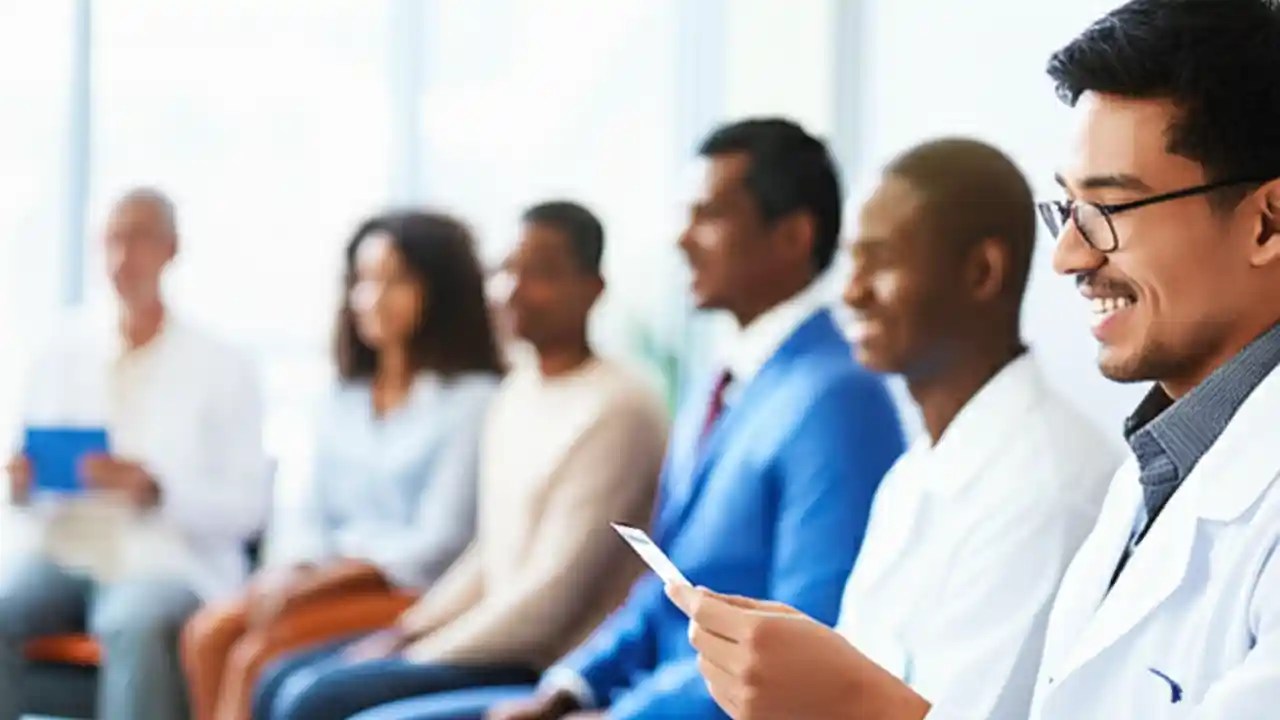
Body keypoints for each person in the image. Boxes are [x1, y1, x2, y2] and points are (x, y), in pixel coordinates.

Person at [671, 1, 1280, 718]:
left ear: (1267, 223)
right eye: (1067, 210)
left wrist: (863, 707)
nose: (1068, 255)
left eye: (1108, 211)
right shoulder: (1154, 478)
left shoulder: (1071, 484)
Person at [345, 118, 907, 720]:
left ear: (793, 236)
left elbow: (807, 644)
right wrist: (567, 688)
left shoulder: (838, 398)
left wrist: (622, 717)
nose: (682, 240)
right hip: (639, 690)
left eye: (710, 216)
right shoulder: (720, 382)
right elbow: (661, 586)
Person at [667, 137, 1121, 719]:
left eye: (880, 261)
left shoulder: (1046, 491)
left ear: (982, 273)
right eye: (852, 260)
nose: (851, 291)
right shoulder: (916, 470)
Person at [250, 201, 670, 720]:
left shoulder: (618, 408)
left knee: (315, 699)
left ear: (593, 288)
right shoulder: (518, 390)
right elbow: (489, 552)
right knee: (277, 680)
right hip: (484, 634)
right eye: (505, 271)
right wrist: (406, 630)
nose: (512, 290)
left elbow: (549, 599)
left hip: (547, 659)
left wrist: (422, 650)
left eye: (540, 274)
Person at [181, 211, 503, 720]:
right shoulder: (340, 397)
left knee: (255, 658)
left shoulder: (475, 401)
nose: (373, 298)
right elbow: (303, 510)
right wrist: (299, 569)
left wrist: (323, 580)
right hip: (319, 575)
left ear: (440, 291)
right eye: (364, 280)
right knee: (209, 633)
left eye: (396, 281)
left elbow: (440, 540)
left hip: (409, 592)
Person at [0, 188, 268, 720]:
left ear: (171, 250)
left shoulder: (224, 366)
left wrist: (156, 489)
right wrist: (23, 483)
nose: (125, 257)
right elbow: (23, 493)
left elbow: (248, 512)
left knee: (133, 620)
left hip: (168, 559)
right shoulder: (58, 352)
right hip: (66, 550)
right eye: (113, 241)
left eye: (140, 239)